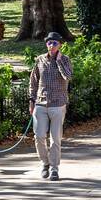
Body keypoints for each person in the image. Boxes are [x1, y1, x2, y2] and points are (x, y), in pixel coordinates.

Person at [28, 32, 73, 181]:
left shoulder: (65, 60)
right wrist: (31, 100)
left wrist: (59, 61)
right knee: (39, 136)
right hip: (40, 103)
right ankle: (44, 163)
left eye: (54, 43)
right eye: (49, 43)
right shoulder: (40, 60)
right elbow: (33, 82)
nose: (51, 45)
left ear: (60, 45)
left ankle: (54, 168)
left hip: (58, 104)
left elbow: (68, 76)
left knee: (55, 139)